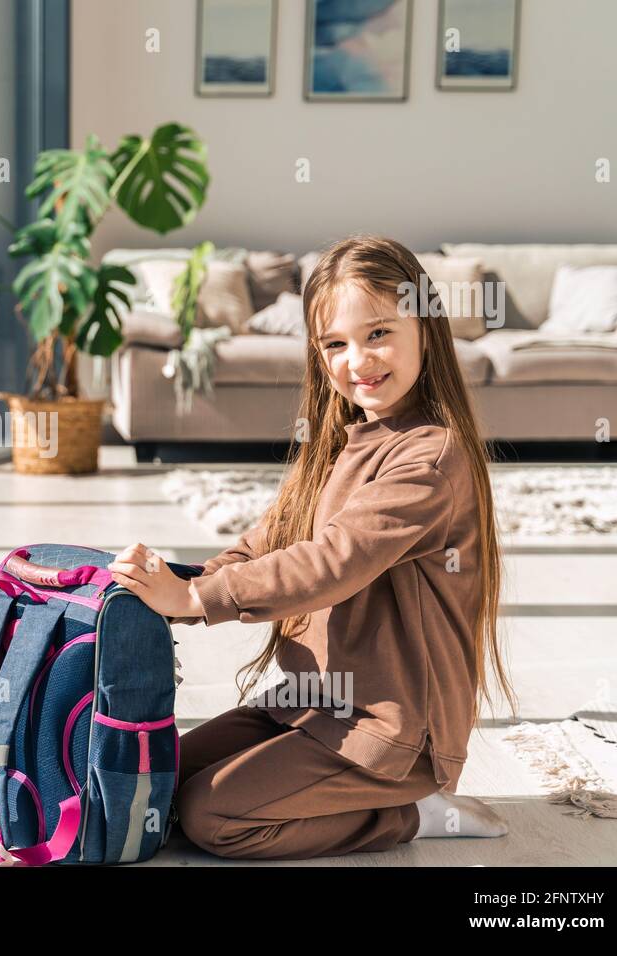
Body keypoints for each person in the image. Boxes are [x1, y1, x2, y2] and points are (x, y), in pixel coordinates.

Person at [108, 234, 516, 860]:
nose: (359, 360)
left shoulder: (430, 457)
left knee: (210, 815)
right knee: (158, 779)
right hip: (312, 706)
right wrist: (179, 581)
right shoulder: (341, 441)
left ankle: (409, 814)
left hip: (390, 733)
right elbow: (269, 538)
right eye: (336, 344)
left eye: (378, 333)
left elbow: (333, 562)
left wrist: (197, 598)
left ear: (426, 331)